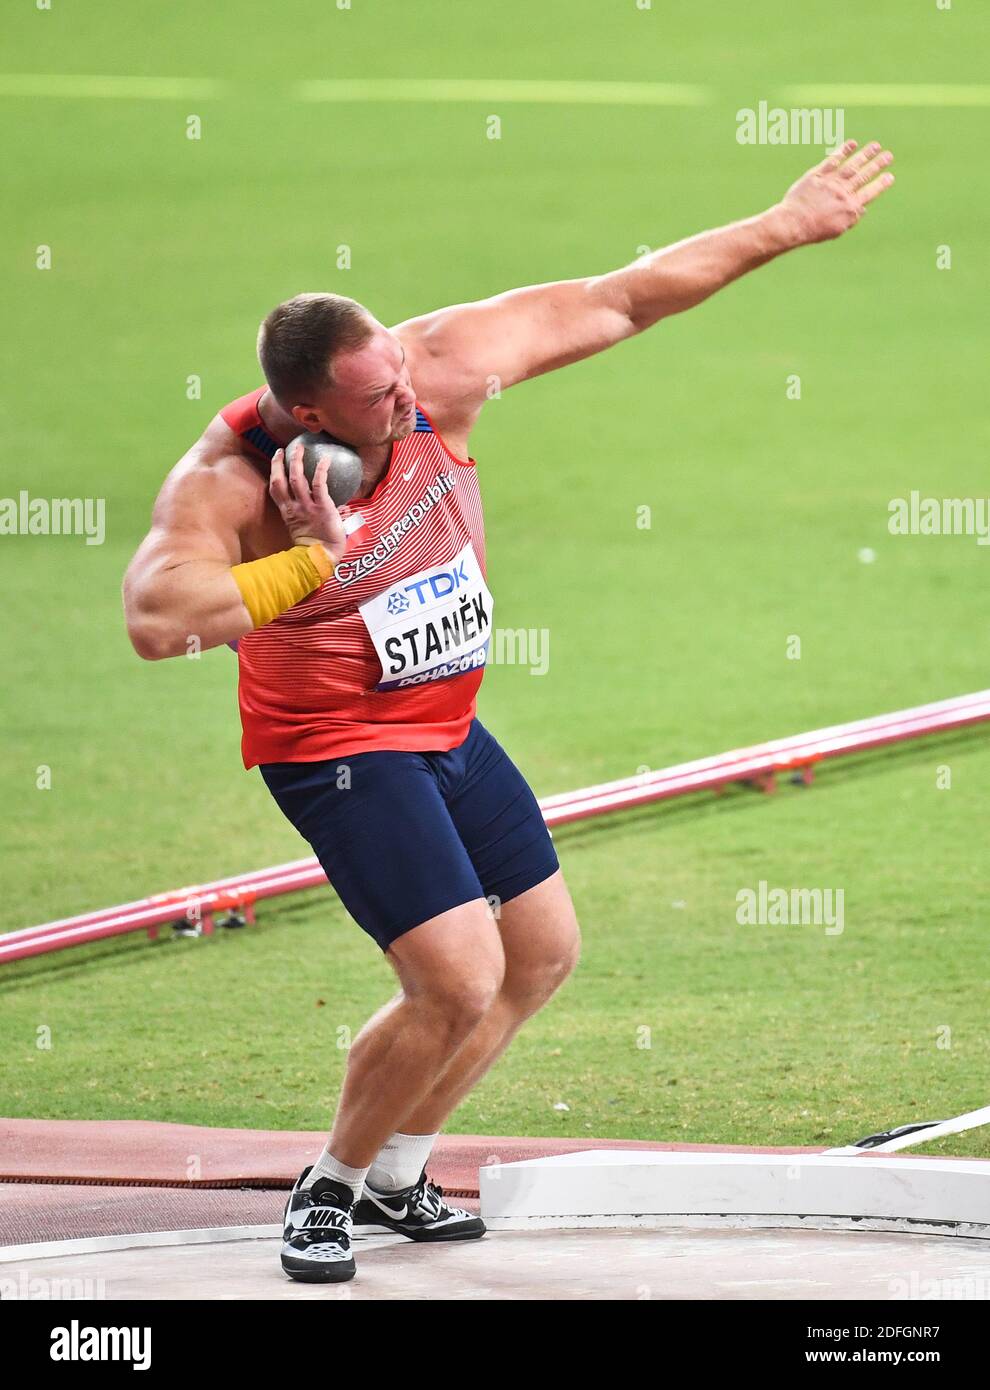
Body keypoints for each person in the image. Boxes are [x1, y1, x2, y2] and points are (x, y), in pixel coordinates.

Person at [122, 140, 894, 1282]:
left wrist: (788, 220)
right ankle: (325, 1187)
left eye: (398, 369)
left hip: (445, 724)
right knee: (458, 978)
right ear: (304, 414)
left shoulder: (433, 366)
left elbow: (618, 300)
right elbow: (157, 618)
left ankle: (399, 1168)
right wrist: (306, 564)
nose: (407, 395)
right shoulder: (233, 484)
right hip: (338, 748)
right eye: (377, 394)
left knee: (540, 955)